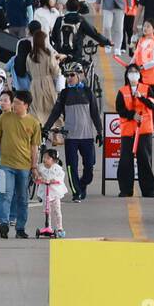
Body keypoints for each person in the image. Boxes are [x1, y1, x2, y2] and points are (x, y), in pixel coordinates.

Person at [0, 89, 42, 241]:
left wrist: (34, 166)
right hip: (5, 164)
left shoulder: (34, 123)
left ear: (26, 105)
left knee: (22, 198)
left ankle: (20, 228)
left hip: (24, 166)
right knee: (4, 194)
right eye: (14, 102)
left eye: (17, 103)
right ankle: (4, 223)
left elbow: (34, 147)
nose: (14, 105)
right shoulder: (4, 118)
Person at [43, 61, 103, 203]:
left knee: (89, 168)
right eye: (67, 75)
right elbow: (55, 113)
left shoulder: (88, 92)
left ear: (79, 75)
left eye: (72, 75)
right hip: (70, 137)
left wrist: (100, 132)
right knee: (71, 167)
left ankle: (82, 184)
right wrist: (46, 128)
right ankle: (76, 192)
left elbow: (95, 113)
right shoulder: (64, 94)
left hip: (87, 136)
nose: (69, 78)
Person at [115, 64, 154, 199]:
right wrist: (131, 115)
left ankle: (149, 190)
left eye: (135, 72)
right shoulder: (122, 91)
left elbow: (151, 105)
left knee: (144, 160)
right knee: (126, 161)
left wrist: (140, 97)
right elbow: (120, 109)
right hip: (128, 131)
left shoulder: (147, 89)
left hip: (144, 130)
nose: (133, 74)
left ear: (139, 74)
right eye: (130, 72)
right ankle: (125, 190)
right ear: (127, 75)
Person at [132, 18, 154, 133]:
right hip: (141, 77)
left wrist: (142, 67)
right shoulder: (141, 40)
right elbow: (136, 55)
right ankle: (143, 125)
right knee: (142, 101)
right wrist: (130, 65)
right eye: (144, 26)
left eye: (148, 27)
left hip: (153, 78)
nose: (145, 28)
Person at [25, 27, 61, 128]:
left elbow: (28, 70)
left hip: (34, 84)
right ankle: (55, 135)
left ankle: (38, 133)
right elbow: (55, 70)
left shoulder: (30, 56)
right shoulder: (48, 54)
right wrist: (57, 62)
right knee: (51, 108)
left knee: (36, 110)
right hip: (47, 82)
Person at [35, 145, 66, 237]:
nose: (45, 159)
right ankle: (48, 227)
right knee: (46, 211)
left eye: (48, 158)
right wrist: (39, 177)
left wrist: (54, 180)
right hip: (46, 192)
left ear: (54, 160)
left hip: (55, 193)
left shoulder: (57, 168)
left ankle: (60, 228)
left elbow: (61, 176)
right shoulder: (40, 167)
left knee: (57, 211)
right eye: (44, 157)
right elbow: (37, 174)